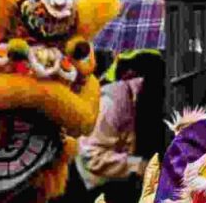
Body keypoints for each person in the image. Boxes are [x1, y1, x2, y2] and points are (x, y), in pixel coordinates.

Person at [66, 50, 167, 203]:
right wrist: (140, 166)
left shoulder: (140, 99)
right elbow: (91, 157)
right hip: (83, 183)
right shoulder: (112, 101)